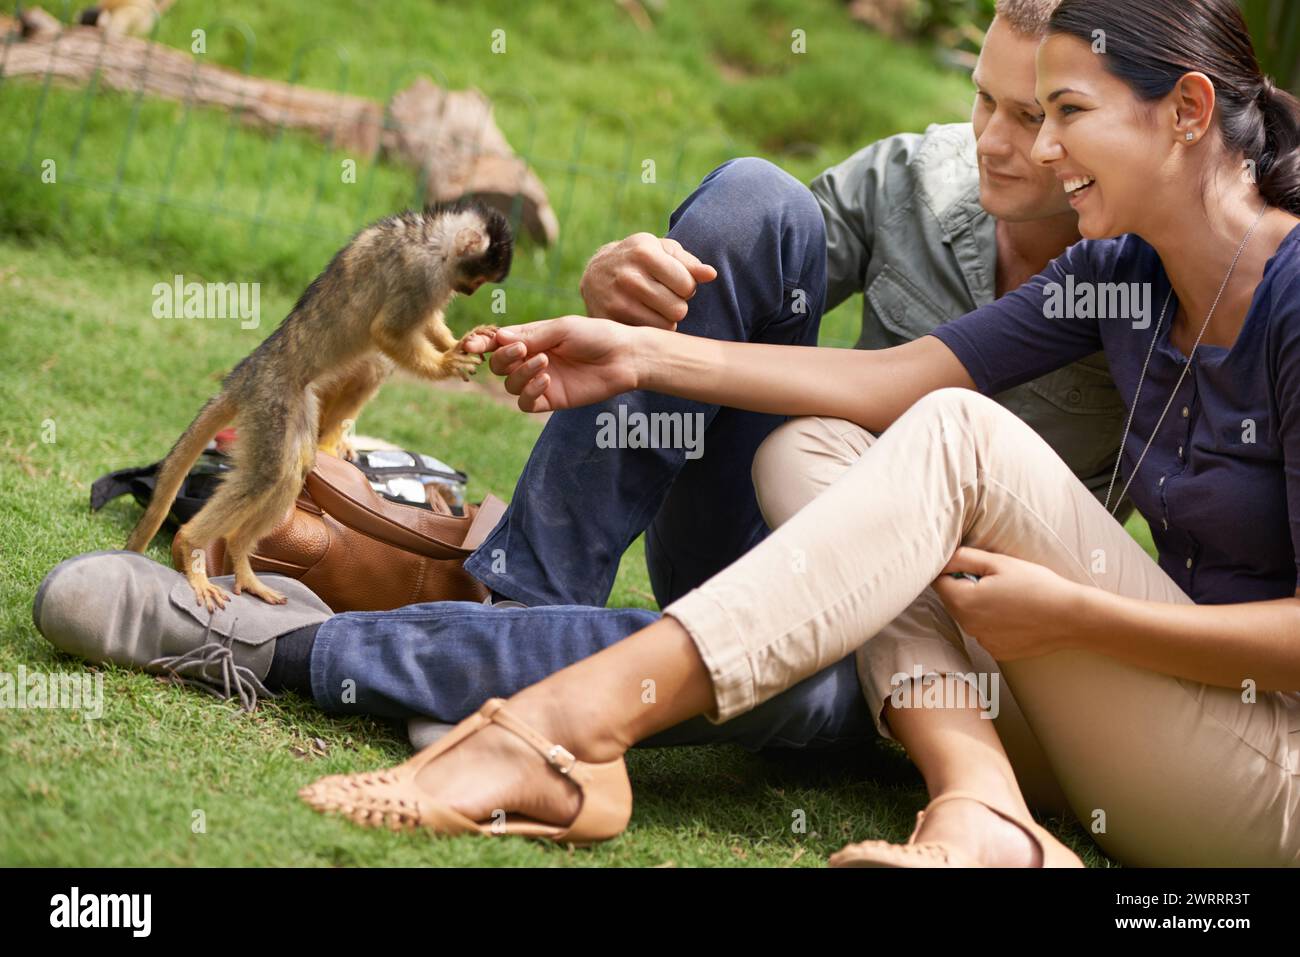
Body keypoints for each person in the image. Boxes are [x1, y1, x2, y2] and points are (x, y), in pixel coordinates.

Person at [30, 1, 1123, 819]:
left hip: (917, 653)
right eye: (981, 98)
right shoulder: (920, 178)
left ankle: (288, 648)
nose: (990, 139)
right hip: (775, 529)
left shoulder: (1146, 272)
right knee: (754, 201)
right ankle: (522, 606)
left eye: (1034, 115)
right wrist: (621, 283)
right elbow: (742, 284)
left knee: (787, 671)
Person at [279, 0, 1300, 867]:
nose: (1032, 149)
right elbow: (891, 378)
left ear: (1186, 111)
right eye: (1010, 109)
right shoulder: (1120, 272)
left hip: (1260, 773)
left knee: (954, 435)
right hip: (1104, 719)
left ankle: (556, 719)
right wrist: (638, 354)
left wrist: (1079, 618)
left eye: (1062, 114)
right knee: (810, 448)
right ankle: (981, 803)